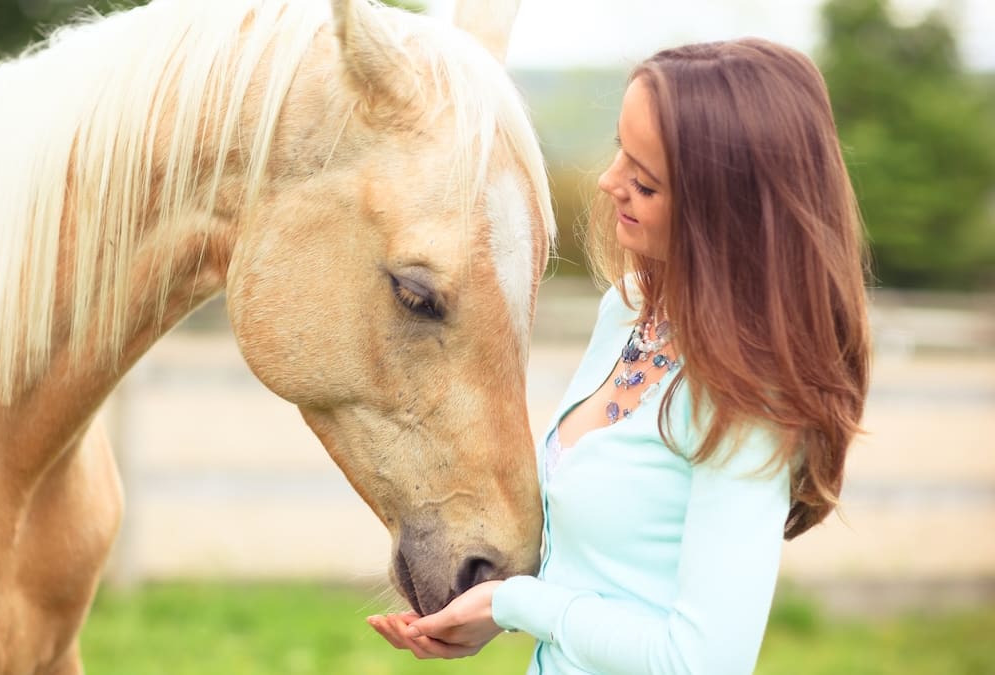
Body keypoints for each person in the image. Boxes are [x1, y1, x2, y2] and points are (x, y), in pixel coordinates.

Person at [367, 37, 871, 674]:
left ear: (727, 212)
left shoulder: (751, 401)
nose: (609, 183)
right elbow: (605, 572)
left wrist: (516, 603)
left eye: (645, 182)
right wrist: (487, 611)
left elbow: (703, 663)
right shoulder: (630, 311)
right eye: (619, 151)